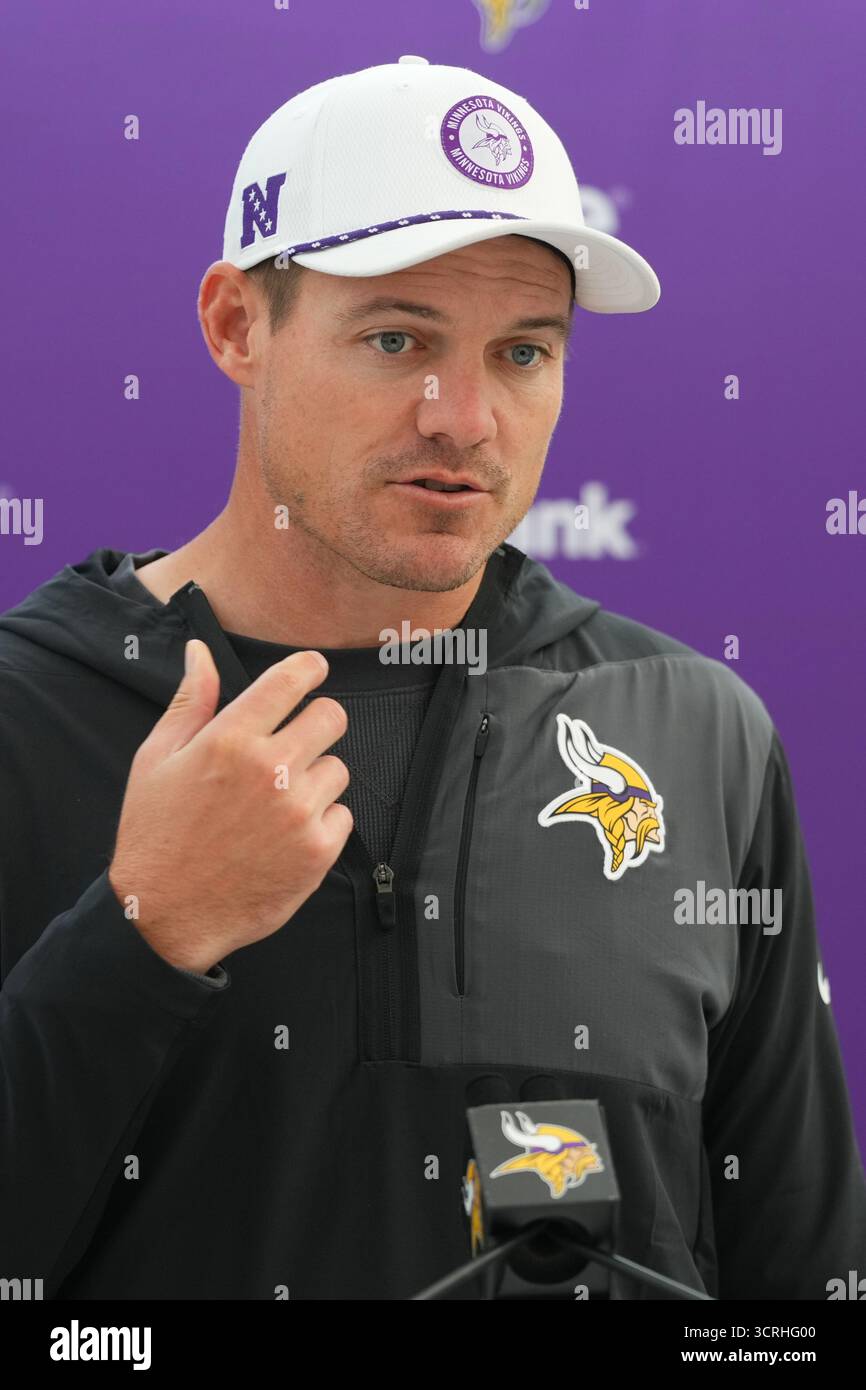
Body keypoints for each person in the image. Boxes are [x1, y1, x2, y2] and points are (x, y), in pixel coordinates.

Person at [1, 56, 863, 1301]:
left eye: (522, 352)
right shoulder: (27, 718)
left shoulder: (692, 733)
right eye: (396, 336)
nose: (462, 416)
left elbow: (796, 1284)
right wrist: (143, 936)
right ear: (238, 324)